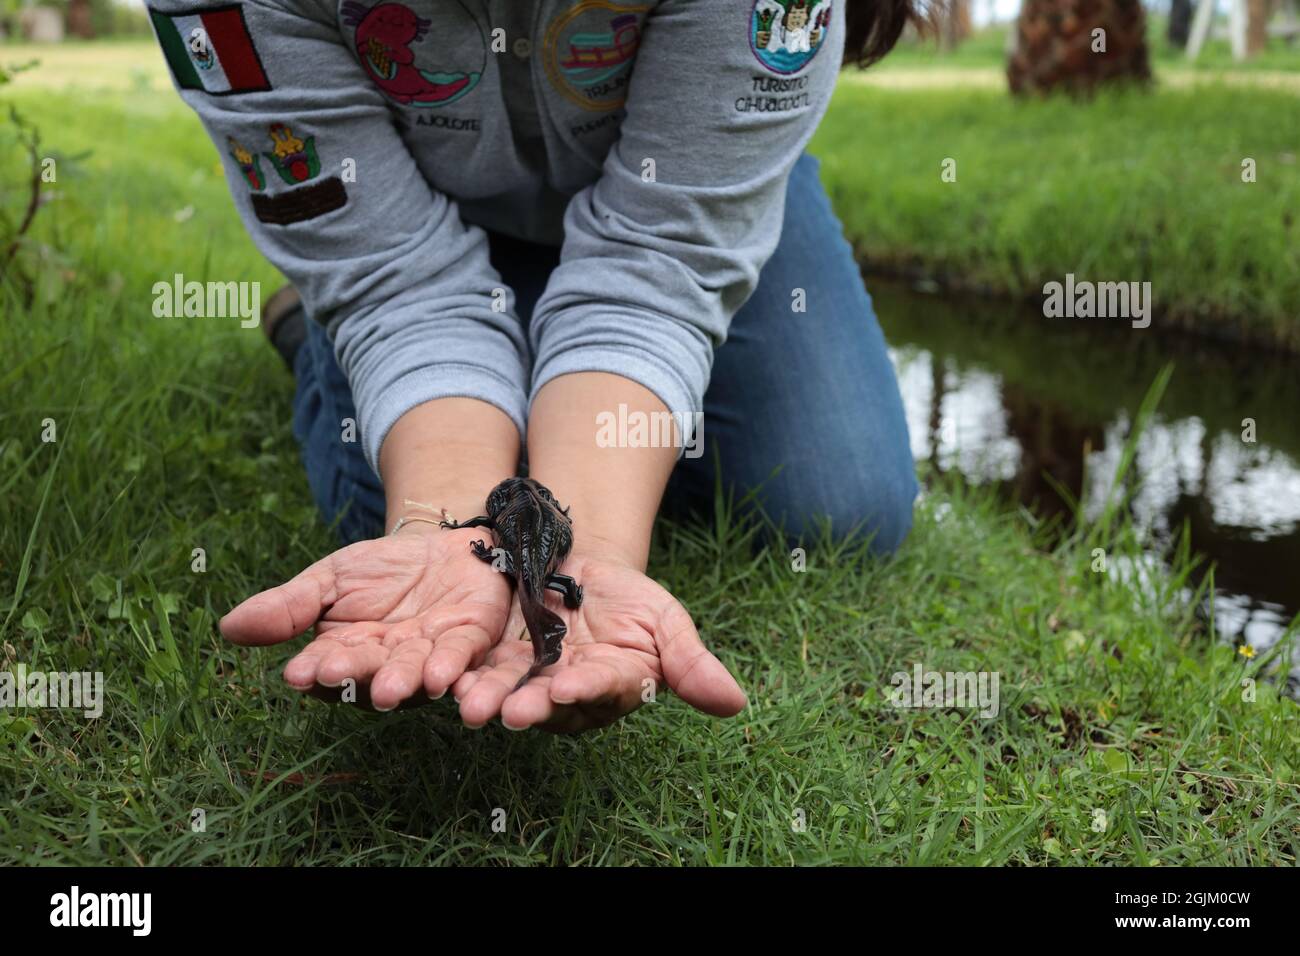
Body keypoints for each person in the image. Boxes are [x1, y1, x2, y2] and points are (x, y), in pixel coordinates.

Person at [149, 0, 920, 732]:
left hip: (681, 193)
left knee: (838, 499)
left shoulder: (540, 539)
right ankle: (322, 330)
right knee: (378, 514)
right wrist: (441, 517)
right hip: (414, 207)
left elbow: (660, 268)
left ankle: (521, 352)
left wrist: (606, 544)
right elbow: (400, 295)